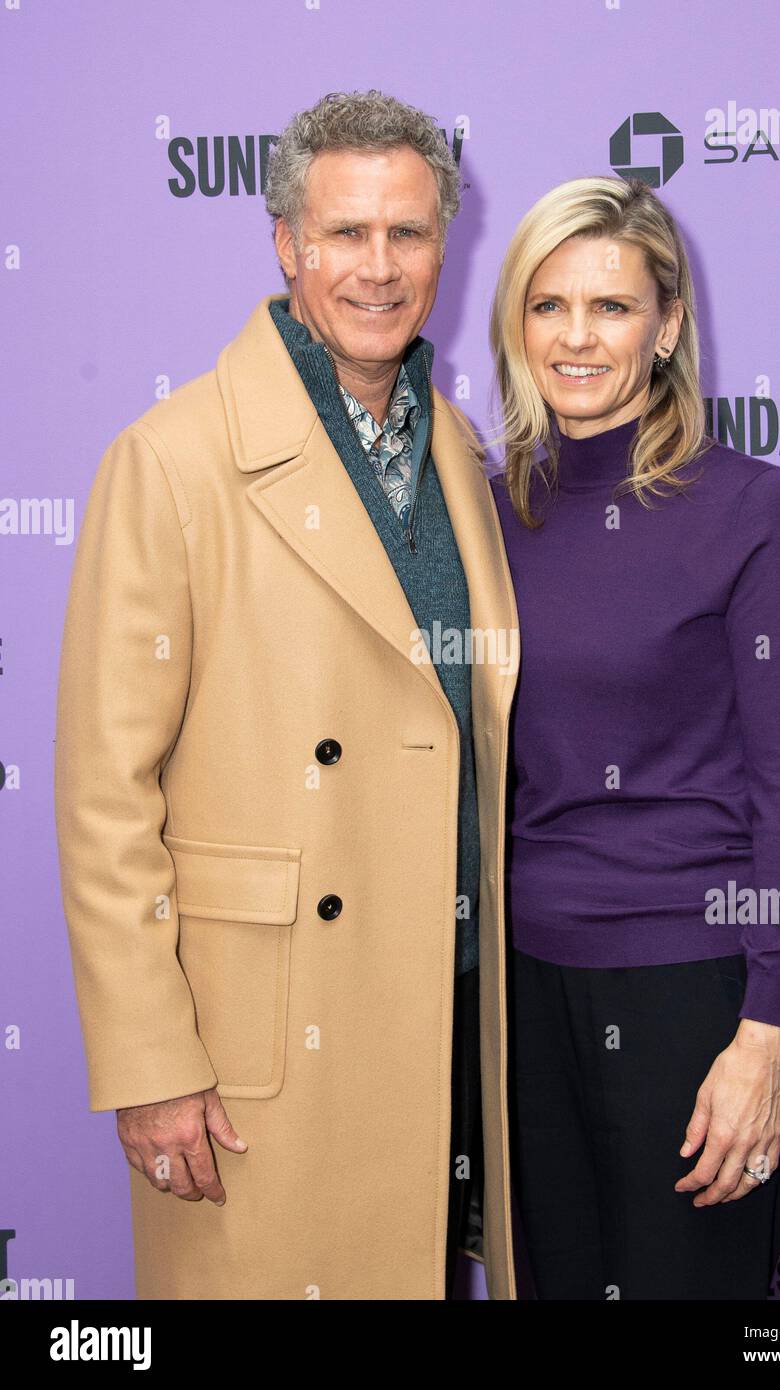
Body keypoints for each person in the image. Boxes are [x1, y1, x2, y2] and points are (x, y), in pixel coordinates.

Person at [53, 90, 521, 1300]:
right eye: (345, 234)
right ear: (285, 245)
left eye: (407, 235)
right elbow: (106, 797)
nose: (378, 268)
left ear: (445, 248)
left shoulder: (461, 454)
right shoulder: (173, 459)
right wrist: (151, 1058)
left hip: (444, 1021)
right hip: (255, 1053)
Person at [487, 175, 780, 1300]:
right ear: (516, 325)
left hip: (698, 996)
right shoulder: (487, 512)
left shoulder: (747, 509)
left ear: (668, 326)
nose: (577, 337)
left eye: (612, 306)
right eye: (549, 306)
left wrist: (766, 1035)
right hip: (525, 996)